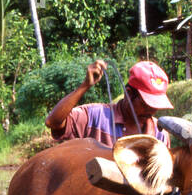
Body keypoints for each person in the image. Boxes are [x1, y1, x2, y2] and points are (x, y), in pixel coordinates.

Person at [45, 59, 173, 147]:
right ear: (128, 94)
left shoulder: (160, 135)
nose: (150, 111)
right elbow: (53, 122)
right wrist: (84, 86)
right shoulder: (95, 117)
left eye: (155, 106)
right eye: (146, 104)